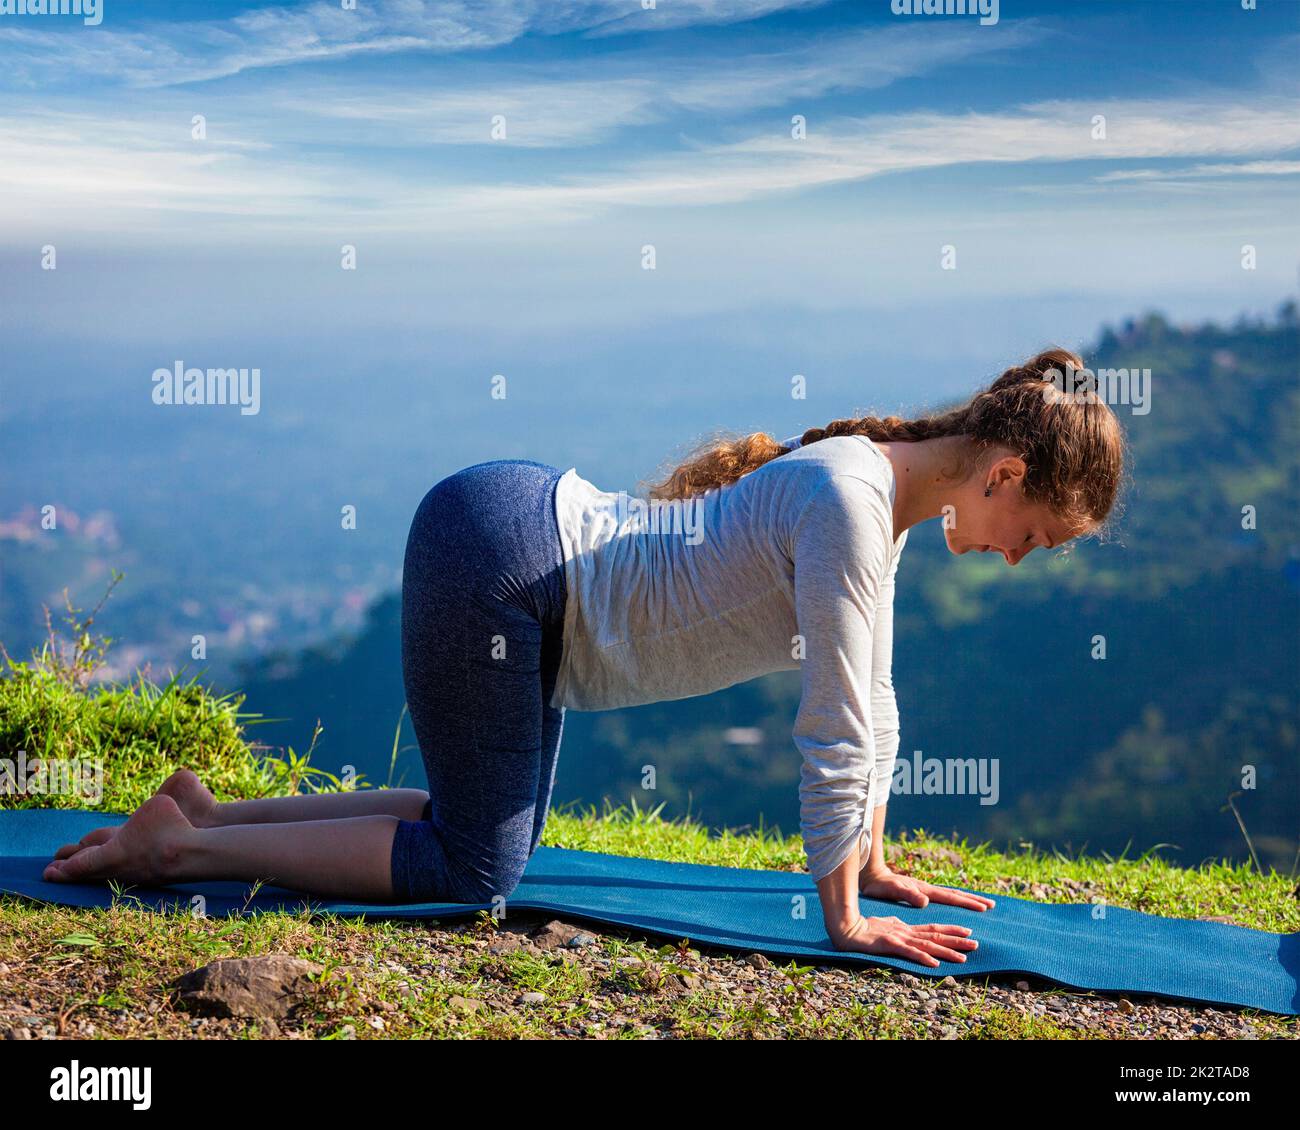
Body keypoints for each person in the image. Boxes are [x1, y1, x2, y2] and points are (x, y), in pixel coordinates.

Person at [45, 348, 1125, 968]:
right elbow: (833, 717)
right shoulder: (853, 500)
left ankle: (200, 816)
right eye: (1040, 530)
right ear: (1005, 471)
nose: (1026, 555)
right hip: (510, 568)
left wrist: (873, 856)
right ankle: (172, 859)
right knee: (476, 868)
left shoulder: (872, 495)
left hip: (514, 534)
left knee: (464, 815)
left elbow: (871, 699)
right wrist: (841, 912)